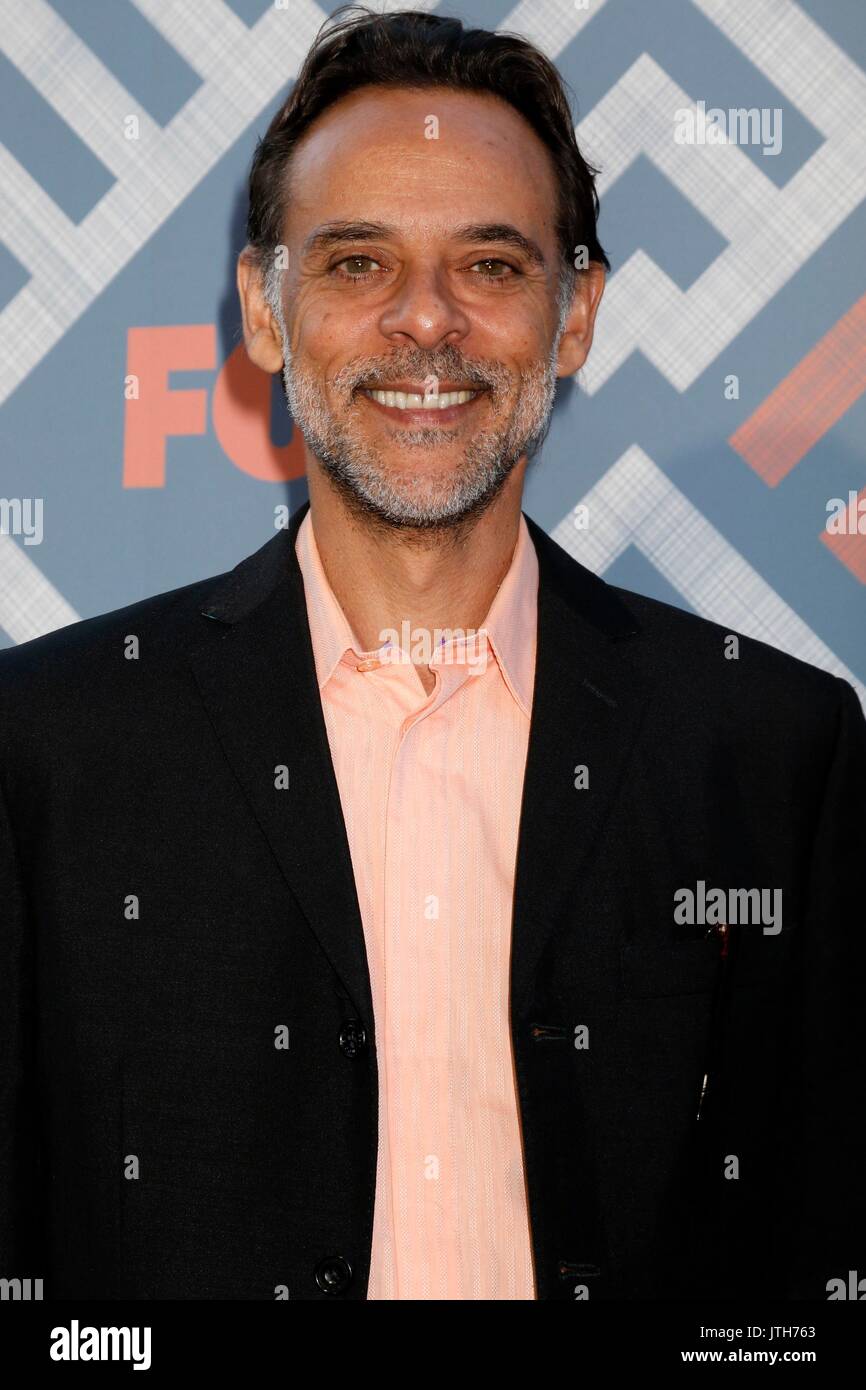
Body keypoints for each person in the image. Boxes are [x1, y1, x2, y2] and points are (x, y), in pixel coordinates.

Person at [1, 6, 863, 1302]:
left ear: (573, 317)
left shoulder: (768, 749)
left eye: (491, 266)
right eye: (355, 264)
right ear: (262, 310)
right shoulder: (49, 747)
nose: (425, 324)